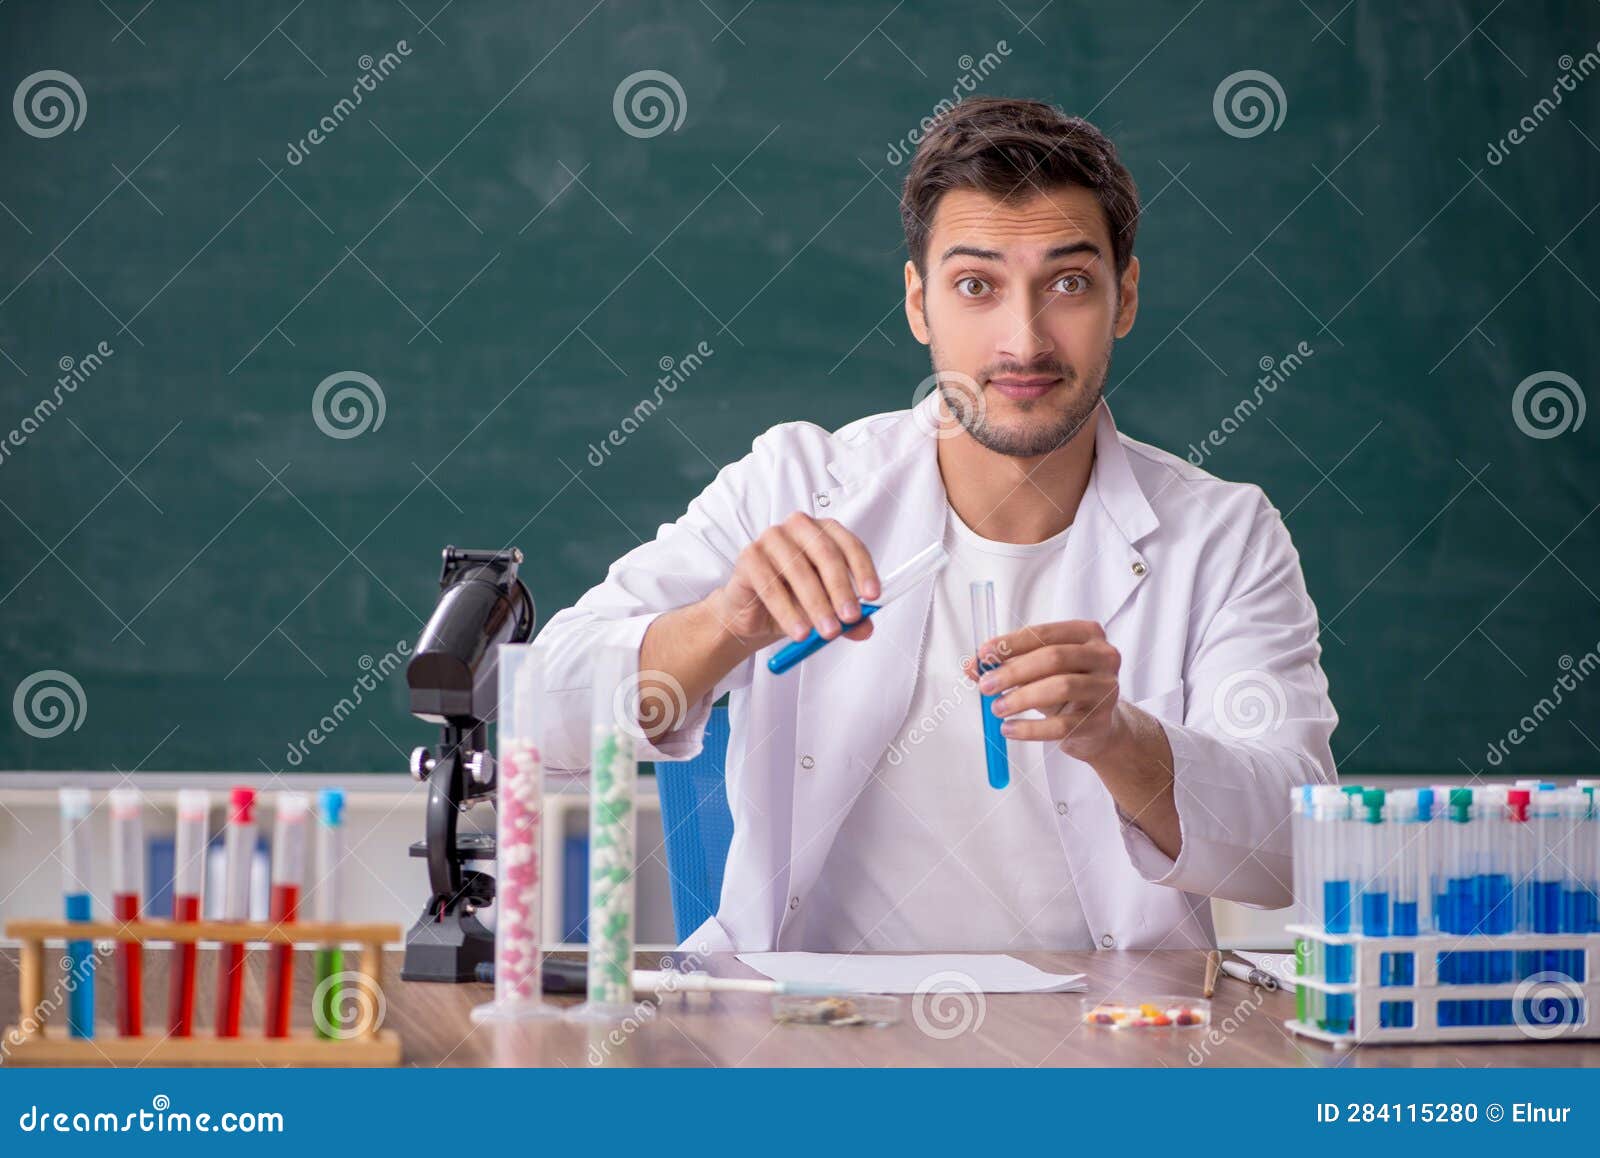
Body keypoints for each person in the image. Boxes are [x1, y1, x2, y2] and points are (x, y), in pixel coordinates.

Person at [536, 96, 1338, 953]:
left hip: (1108, 1054)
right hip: (811, 1044)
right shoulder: (796, 486)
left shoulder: (1222, 535)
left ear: (1125, 296)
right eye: (976, 285)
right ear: (920, 303)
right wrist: (725, 624)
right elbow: (538, 722)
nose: (1023, 341)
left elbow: (1296, 849)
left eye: (1068, 283)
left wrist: (1118, 737)